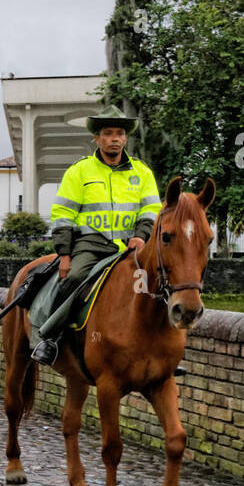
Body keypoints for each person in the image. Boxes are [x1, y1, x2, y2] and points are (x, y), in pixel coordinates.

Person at [29, 105, 162, 365]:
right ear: (97, 138)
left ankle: (161, 348)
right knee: (75, 278)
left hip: (130, 247)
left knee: (157, 283)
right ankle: (49, 337)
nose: (114, 138)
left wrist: (141, 237)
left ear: (126, 138)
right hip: (90, 244)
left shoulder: (142, 172)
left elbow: (151, 210)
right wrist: (65, 253)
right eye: (108, 133)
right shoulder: (79, 171)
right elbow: (63, 214)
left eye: (119, 133)